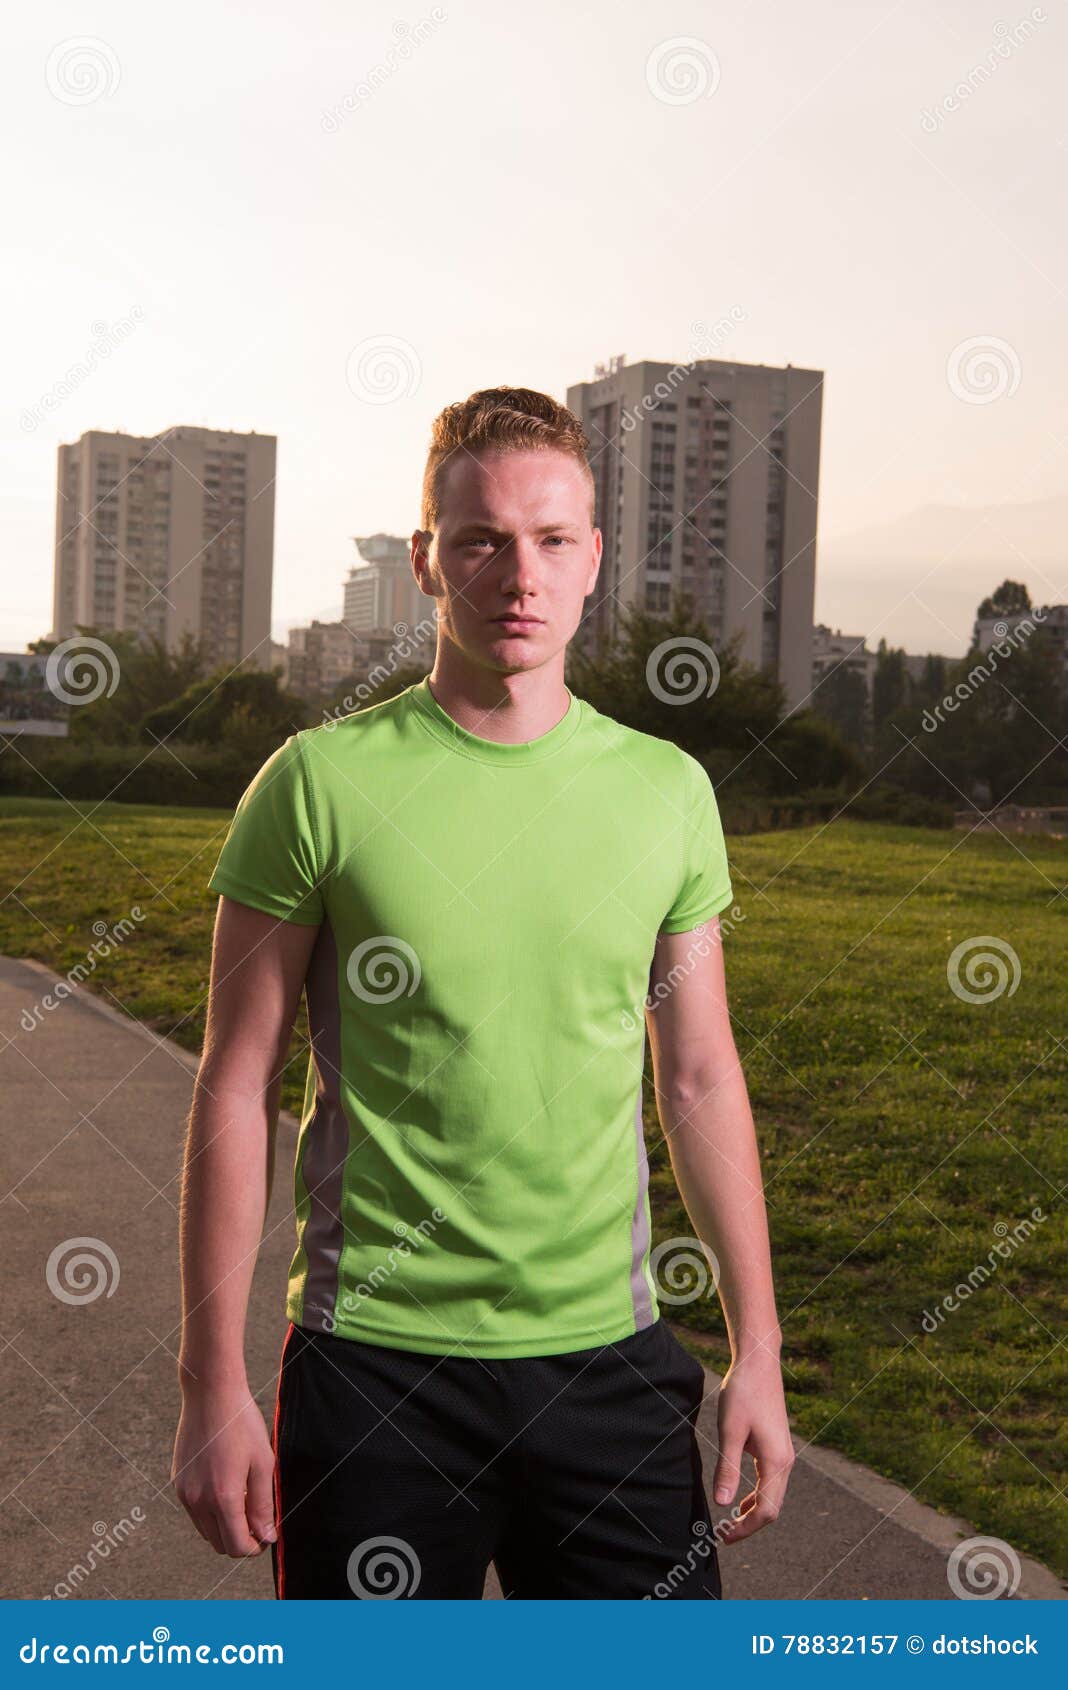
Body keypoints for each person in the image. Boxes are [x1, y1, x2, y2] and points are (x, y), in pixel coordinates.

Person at [171, 386, 793, 1599]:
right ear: (426, 561)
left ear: (595, 558)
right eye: (482, 540)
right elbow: (237, 1084)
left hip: (609, 1371)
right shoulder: (318, 784)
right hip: (377, 1379)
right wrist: (210, 1382)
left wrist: (759, 1351)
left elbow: (701, 1073)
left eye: (553, 540)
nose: (520, 574)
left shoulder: (666, 792)